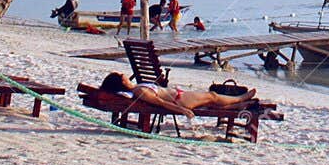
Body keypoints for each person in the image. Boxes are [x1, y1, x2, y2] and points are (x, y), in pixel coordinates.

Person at [94, 71, 254, 116]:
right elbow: (161, 103)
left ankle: (239, 105)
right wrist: (183, 111)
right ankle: (240, 98)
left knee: (210, 102)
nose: (126, 76)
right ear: (122, 82)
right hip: (180, 100)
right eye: (123, 76)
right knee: (212, 96)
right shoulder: (141, 91)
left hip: (179, 96)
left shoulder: (137, 88)